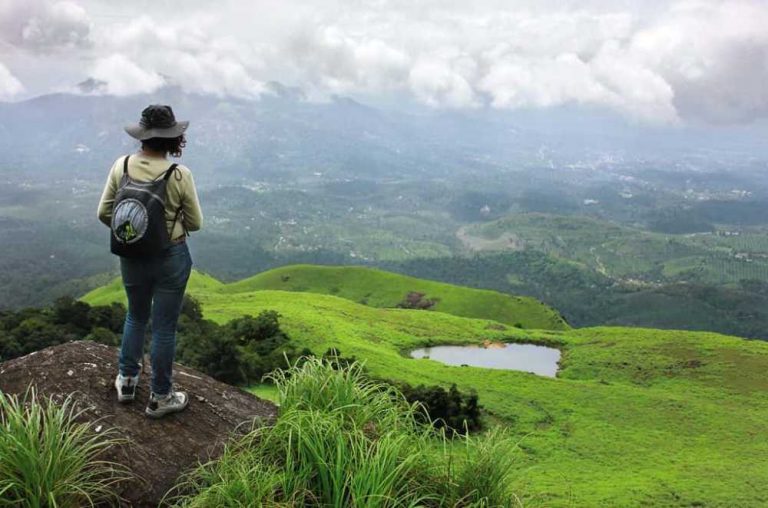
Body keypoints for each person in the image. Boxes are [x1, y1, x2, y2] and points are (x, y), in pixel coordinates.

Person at [97, 104, 203, 418]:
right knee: (165, 327)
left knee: (136, 316)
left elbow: (104, 213)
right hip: (170, 255)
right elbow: (195, 222)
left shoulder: (122, 165)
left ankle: (127, 381)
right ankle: (161, 396)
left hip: (132, 255)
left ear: (143, 135)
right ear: (173, 139)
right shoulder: (179, 174)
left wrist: (136, 233)